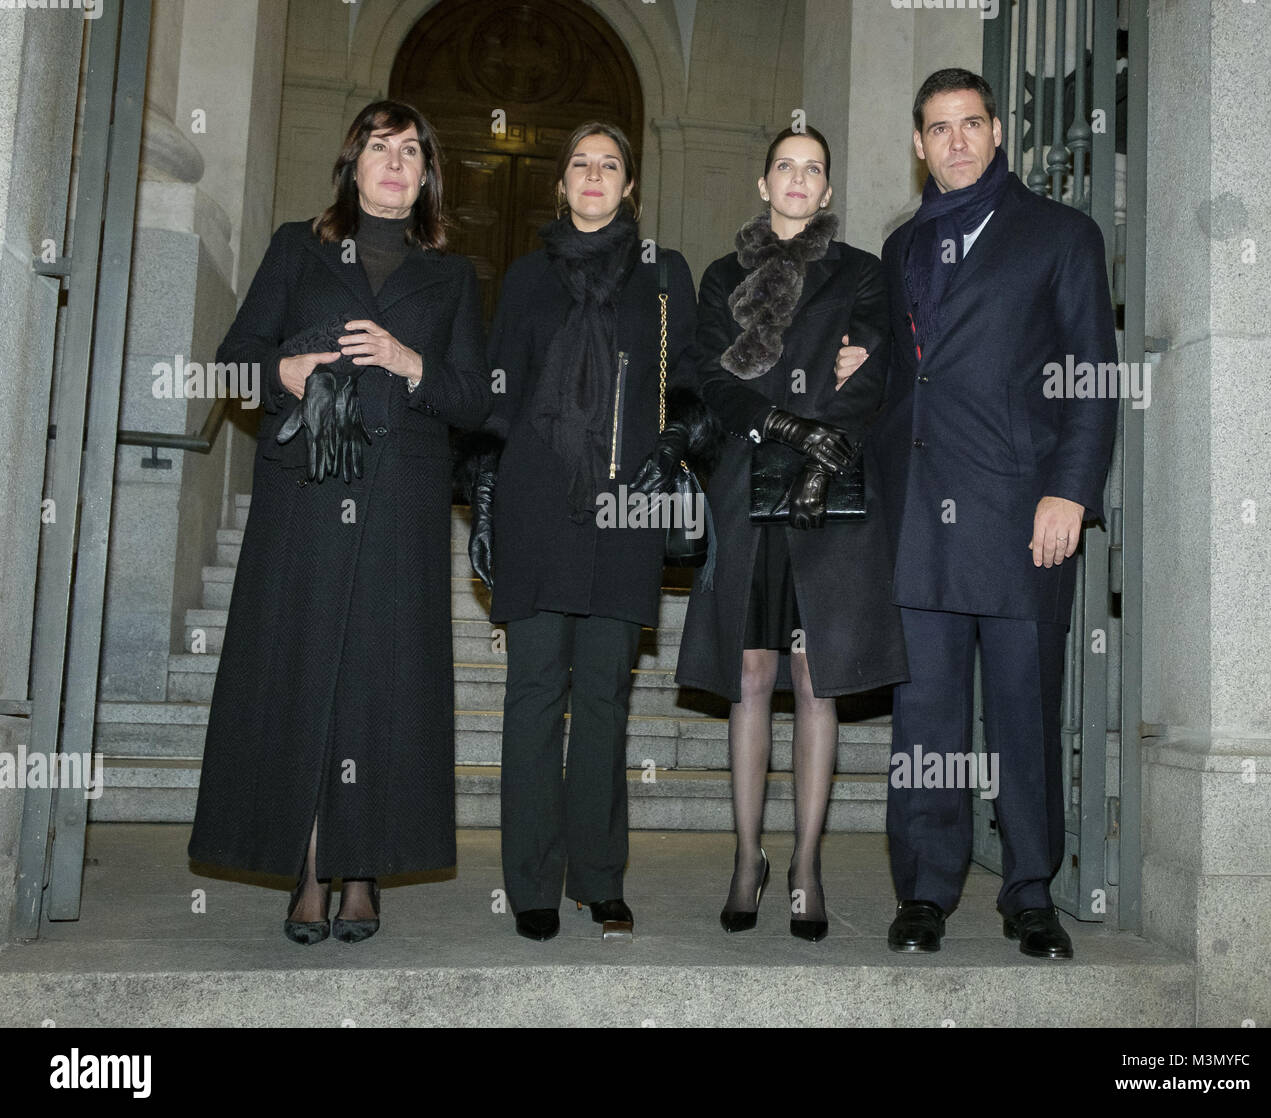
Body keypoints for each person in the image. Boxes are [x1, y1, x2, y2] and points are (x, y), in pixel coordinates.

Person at [188, 101, 491, 945]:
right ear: (352, 164)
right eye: (379, 148)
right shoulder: (299, 247)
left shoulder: (454, 275)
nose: (395, 163)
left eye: (411, 153)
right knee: (305, 675)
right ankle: (311, 867)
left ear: (426, 175)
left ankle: (365, 871)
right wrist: (284, 367)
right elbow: (234, 362)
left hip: (401, 501)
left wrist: (410, 362)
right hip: (308, 499)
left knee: (382, 687)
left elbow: (476, 398)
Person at [874, 69, 1118, 958]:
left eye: (971, 124)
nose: (957, 142)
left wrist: (1071, 489)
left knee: (1022, 713)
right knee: (926, 719)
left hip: (1025, 516)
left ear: (998, 130)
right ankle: (924, 892)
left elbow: (1092, 376)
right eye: (938, 129)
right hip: (921, 523)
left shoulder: (1061, 234)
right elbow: (908, 382)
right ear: (918, 144)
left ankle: (1028, 894)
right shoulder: (901, 248)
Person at [466, 121, 710, 941]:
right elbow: (497, 402)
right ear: (561, 184)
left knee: (604, 697)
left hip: (629, 507)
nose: (595, 176)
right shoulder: (529, 277)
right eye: (581, 165)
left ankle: (598, 876)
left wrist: (673, 445)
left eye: (610, 165)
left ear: (629, 184)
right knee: (534, 695)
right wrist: (486, 501)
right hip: (540, 506)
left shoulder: (663, 274)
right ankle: (531, 883)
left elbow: (697, 390)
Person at [674, 127, 908, 942]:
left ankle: (806, 864)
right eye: (786, 167)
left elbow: (875, 370)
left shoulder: (863, 273)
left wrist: (824, 446)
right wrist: (783, 424)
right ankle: (748, 858)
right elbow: (709, 376)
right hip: (746, 481)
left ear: (828, 191)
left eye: (814, 169)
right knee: (749, 673)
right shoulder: (720, 275)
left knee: (816, 677)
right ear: (763, 182)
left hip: (828, 493)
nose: (799, 179)